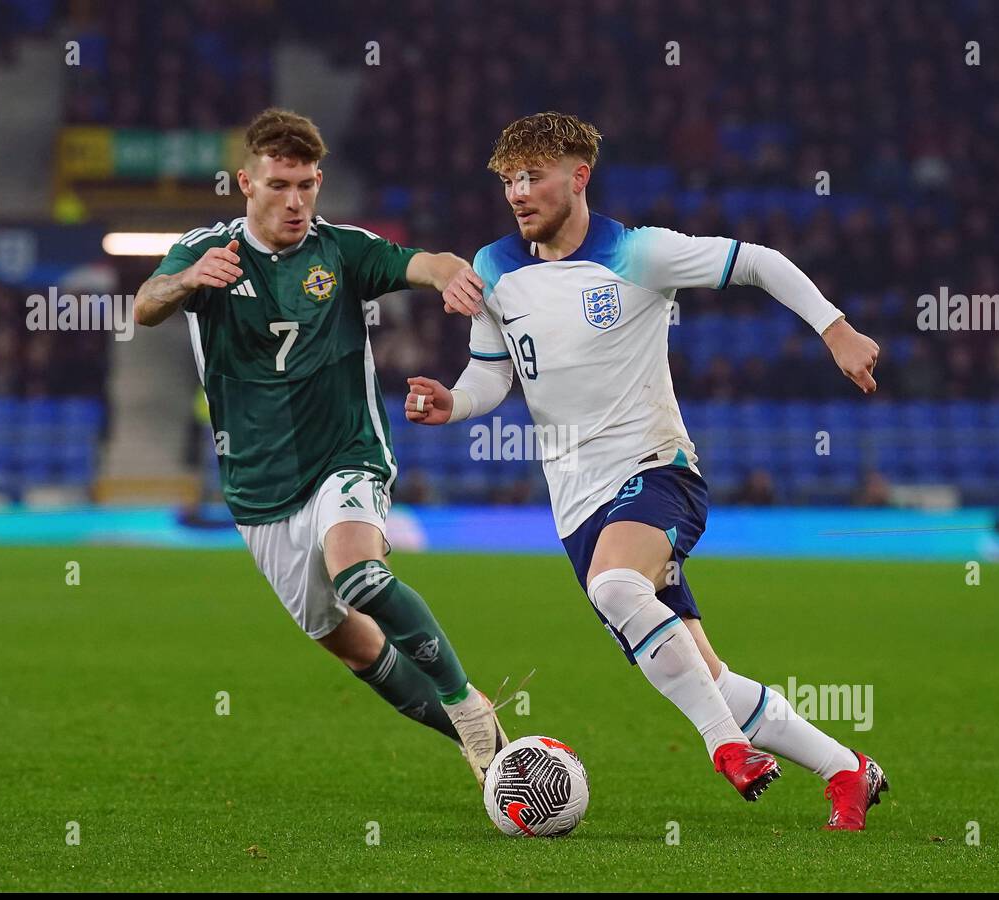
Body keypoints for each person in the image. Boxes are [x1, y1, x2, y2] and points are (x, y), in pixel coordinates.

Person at [407, 112, 887, 828]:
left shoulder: (640, 254)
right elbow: (491, 376)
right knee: (706, 673)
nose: (518, 192)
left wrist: (835, 327)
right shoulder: (494, 270)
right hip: (575, 506)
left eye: (533, 176)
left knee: (616, 583)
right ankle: (848, 770)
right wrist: (453, 402)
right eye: (509, 179)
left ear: (579, 177)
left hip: (657, 470)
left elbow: (756, 260)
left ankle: (725, 750)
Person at [134, 108, 506, 786]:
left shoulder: (342, 249)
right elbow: (145, 304)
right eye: (279, 185)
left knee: (358, 572)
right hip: (258, 489)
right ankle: (479, 738)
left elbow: (428, 261)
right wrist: (187, 281)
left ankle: (468, 706)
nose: (296, 200)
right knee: (352, 647)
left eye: (306, 184)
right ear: (246, 182)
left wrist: (452, 274)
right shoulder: (206, 250)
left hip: (346, 453)